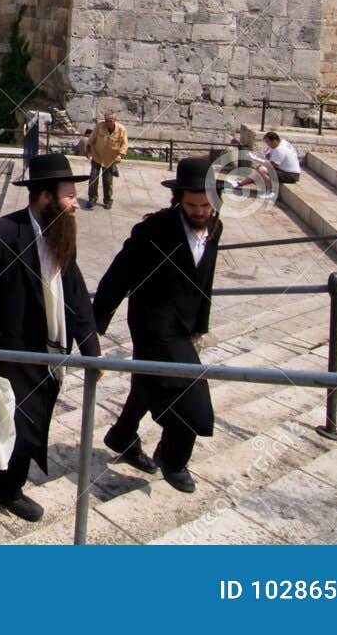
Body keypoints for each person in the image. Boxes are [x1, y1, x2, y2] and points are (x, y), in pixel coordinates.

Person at [0, 153, 100, 522]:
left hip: (48, 353)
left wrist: (92, 348)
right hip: (9, 350)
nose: (76, 203)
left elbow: (74, 291)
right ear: (44, 197)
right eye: (70, 196)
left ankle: (7, 487)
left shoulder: (61, 231)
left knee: (31, 426)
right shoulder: (2, 234)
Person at [93, 156, 227, 494]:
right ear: (178, 199)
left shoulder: (215, 225)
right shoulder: (154, 231)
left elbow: (204, 279)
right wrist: (94, 325)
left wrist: (201, 322)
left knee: (147, 383)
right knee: (193, 398)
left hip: (183, 323)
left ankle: (122, 435)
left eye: (206, 204)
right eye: (192, 204)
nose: (199, 211)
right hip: (152, 323)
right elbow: (118, 275)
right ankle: (174, 459)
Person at [84, 111, 128, 209]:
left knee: (108, 181)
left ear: (115, 120)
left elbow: (124, 144)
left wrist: (120, 154)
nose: (108, 123)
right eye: (106, 121)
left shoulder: (121, 129)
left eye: (110, 121)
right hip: (97, 155)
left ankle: (108, 200)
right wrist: (88, 149)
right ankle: (92, 198)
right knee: (93, 178)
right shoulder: (99, 126)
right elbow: (92, 138)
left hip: (110, 159)